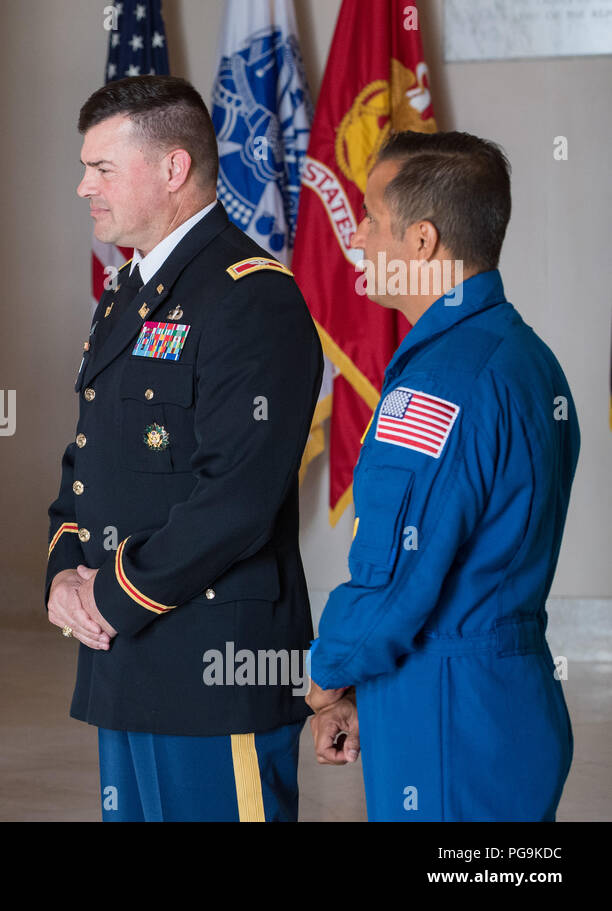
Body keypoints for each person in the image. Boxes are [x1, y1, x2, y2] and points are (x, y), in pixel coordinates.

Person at [45, 76, 323, 821]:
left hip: (214, 667)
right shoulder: (126, 292)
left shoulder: (250, 296)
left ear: (173, 168)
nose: (83, 187)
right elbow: (87, 459)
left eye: (102, 168)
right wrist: (64, 574)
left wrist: (108, 597)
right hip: (124, 657)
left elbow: (236, 498)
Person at [306, 131, 579, 821]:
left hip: (449, 715)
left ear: (423, 240)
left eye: (371, 219)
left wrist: (330, 671)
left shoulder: (438, 383)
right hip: (500, 698)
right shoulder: (526, 357)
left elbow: (396, 574)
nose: (357, 238)